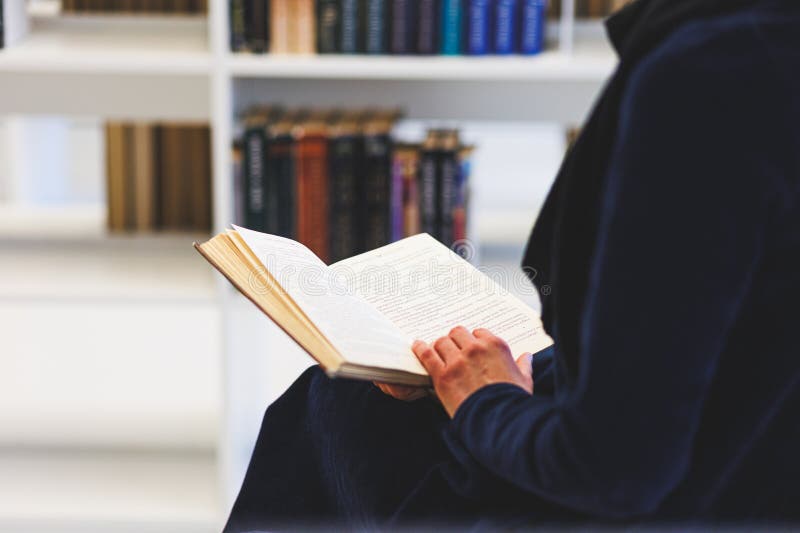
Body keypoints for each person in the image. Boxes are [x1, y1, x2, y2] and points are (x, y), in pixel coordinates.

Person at [224, 0, 800, 530]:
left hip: (685, 498)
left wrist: (483, 400)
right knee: (361, 402)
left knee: (334, 410)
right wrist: (477, 374)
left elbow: (618, 470)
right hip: (749, 463)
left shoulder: (712, 78)